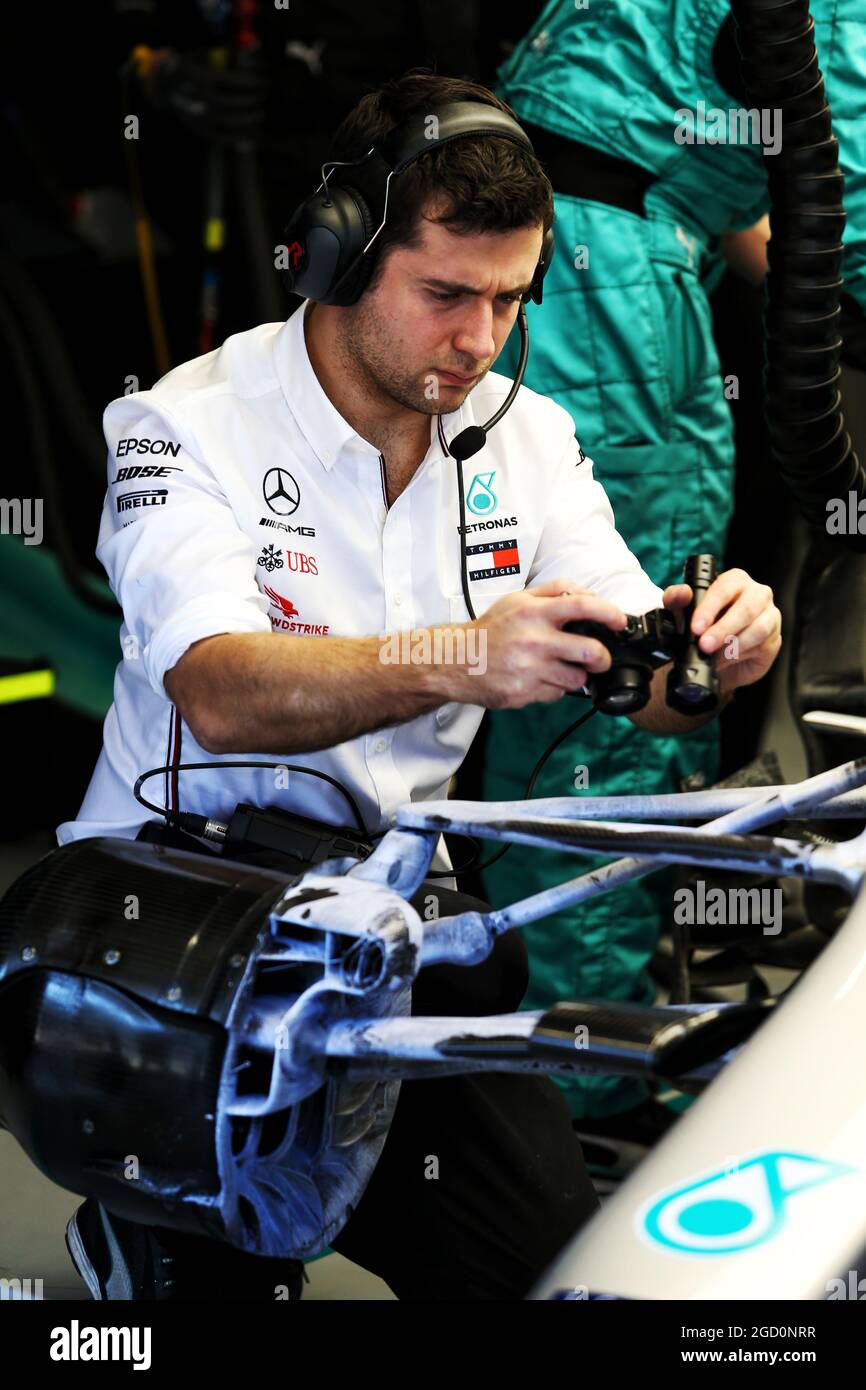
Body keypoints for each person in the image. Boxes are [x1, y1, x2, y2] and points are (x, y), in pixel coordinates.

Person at [58, 71, 781, 1300]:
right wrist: (465, 654)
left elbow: (636, 679)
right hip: (188, 928)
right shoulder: (182, 428)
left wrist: (705, 654)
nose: (479, 339)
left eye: (508, 298)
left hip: (401, 925)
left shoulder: (528, 435)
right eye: (445, 294)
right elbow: (217, 690)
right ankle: (151, 1229)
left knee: (555, 1274)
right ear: (333, 257)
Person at [478, 0, 865, 1149]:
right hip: (604, 287)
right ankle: (584, 1098)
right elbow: (846, 218)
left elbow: (775, 200)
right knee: (626, 674)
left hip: (593, 259)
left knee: (629, 661)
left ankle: (571, 1054)